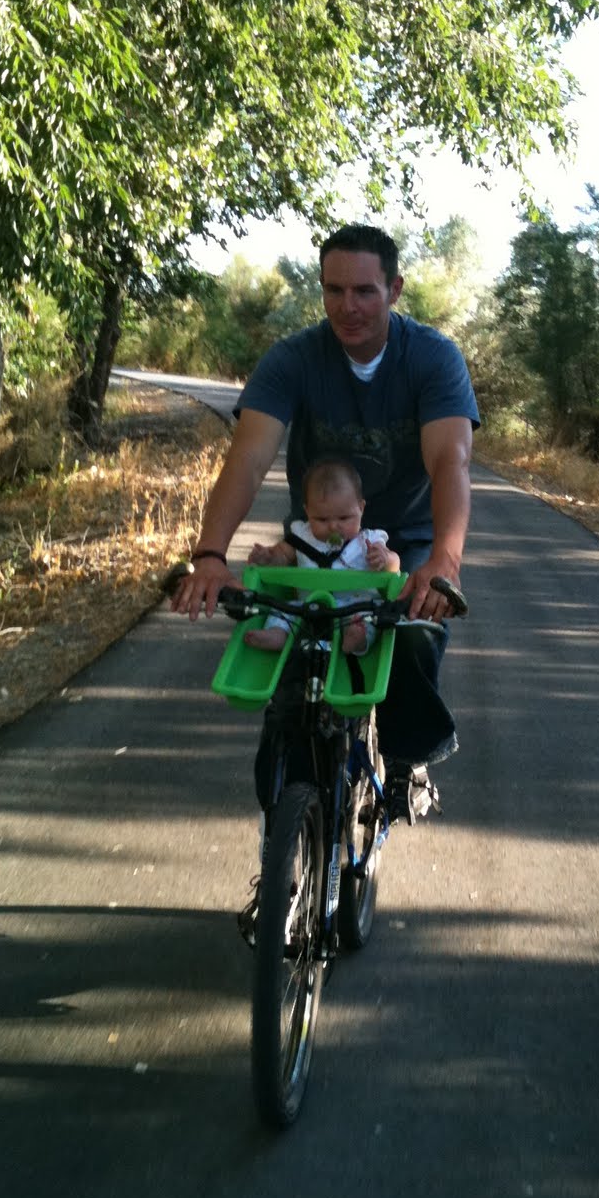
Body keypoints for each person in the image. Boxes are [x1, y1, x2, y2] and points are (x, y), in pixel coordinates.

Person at [171, 221, 478, 821]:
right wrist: (210, 555)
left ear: (394, 290)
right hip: (316, 537)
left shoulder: (433, 359)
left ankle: (406, 756)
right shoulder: (293, 359)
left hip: (406, 537)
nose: (348, 306)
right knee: (289, 655)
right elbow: (250, 456)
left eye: (364, 291)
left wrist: (444, 559)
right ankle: (288, 840)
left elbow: (451, 460)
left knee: (414, 633)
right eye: (333, 290)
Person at [244, 457, 400, 655]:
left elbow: (395, 565)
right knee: (283, 609)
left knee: (369, 618)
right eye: (322, 519)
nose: (334, 526)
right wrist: (268, 557)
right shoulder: (302, 536)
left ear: (360, 508)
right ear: (307, 511)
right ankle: (277, 635)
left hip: (353, 608)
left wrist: (385, 560)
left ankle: (355, 640)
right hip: (308, 607)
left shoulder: (368, 541)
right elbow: (283, 555)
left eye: (344, 518)